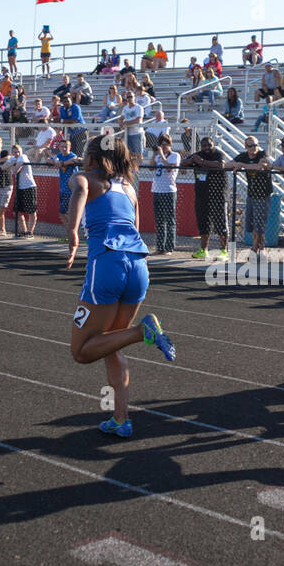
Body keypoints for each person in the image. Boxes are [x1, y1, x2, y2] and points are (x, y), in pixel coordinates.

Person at [64, 138, 176, 438]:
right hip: (138, 265)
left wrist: (73, 233)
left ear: (92, 158)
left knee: (82, 351)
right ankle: (121, 418)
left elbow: (78, 193)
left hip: (108, 266)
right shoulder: (129, 187)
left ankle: (143, 331)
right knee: (113, 342)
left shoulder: (85, 178)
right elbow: (135, 228)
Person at [183, 137, 230, 259]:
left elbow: (221, 165)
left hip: (218, 194)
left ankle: (224, 251)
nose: (206, 148)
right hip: (202, 195)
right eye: (204, 146)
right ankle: (203, 250)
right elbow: (182, 163)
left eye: (209, 145)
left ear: (213, 144)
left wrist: (201, 162)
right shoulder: (197, 155)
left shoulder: (218, 154)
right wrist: (192, 160)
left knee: (221, 223)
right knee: (203, 223)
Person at [227, 136, 272, 254]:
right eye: (250, 146)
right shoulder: (243, 156)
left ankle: (259, 249)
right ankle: (255, 247)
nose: (253, 148)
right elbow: (227, 165)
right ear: (246, 147)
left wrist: (241, 165)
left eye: (256, 145)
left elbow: (260, 167)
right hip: (251, 195)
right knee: (251, 225)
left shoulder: (262, 154)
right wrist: (237, 164)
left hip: (263, 195)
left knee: (259, 225)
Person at [151, 134, 180, 254]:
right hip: (156, 190)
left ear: (170, 144)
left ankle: (169, 247)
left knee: (169, 220)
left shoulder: (175, 155)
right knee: (159, 220)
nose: (164, 147)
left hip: (168, 190)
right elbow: (151, 168)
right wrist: (154, 154)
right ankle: (160, 247)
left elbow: (169, 168)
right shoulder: (158, 156)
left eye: (166, 144)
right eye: (162, 145)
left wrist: (162, 154)